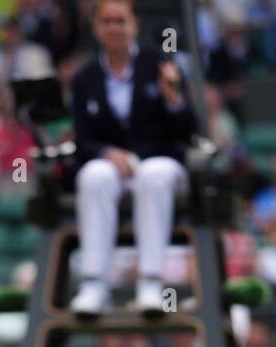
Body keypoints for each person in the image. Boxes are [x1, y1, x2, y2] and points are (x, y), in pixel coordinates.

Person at [67, 0, 198, 317]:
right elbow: (82, 141)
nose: (114, 28)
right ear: (96, 27)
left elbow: (189, 130)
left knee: (152, 174)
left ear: (135, 24)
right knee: (93, 175)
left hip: (161, 164)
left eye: (120, 21)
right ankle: (95, 283)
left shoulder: (162, 65)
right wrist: (106, 152)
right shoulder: (84, 78)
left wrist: (173, 98)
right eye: (107, 21)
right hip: (113, 169)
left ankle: (151, 282)